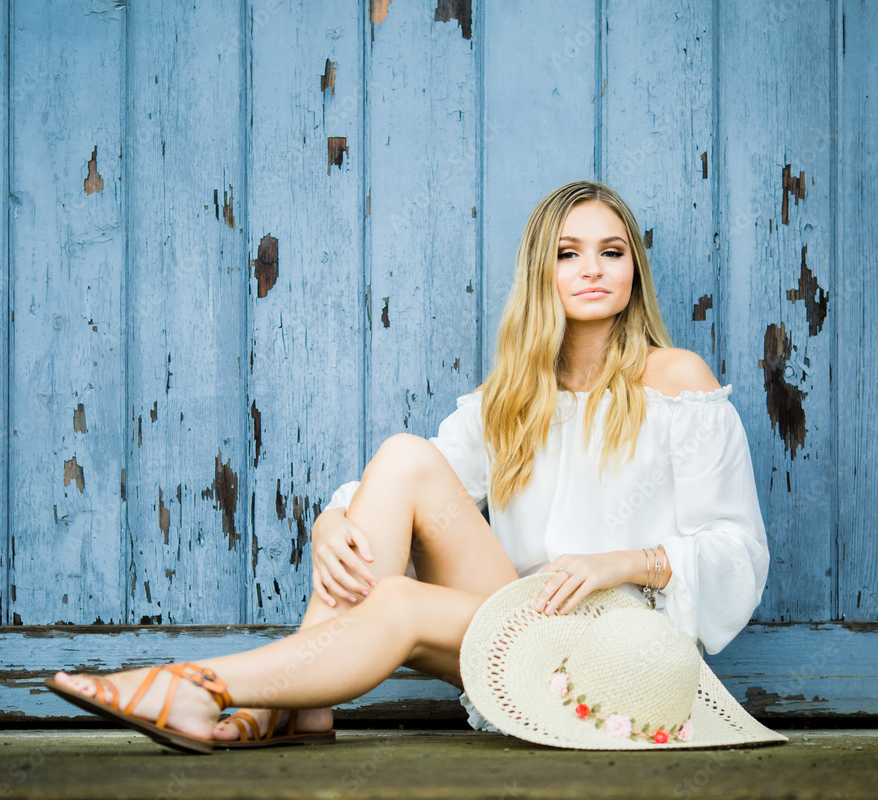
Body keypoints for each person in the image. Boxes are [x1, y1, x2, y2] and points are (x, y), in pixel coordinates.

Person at [46, 180, 770, 751]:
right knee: (404, 457)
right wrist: (330, 522)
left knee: (394, 603)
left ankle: (204, 688)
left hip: (616, 649)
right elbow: (405, 481)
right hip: (528, 620)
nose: (592, 269)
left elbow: (737, 552)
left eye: (612, 252)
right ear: (541, 271)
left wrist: (621, 562)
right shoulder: (513, 396)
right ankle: (301, 703)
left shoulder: (676, 380)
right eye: (568, 252)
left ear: (633, 272)